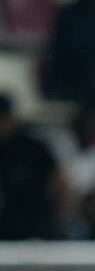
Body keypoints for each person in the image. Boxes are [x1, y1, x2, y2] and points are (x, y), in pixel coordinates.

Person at [0, 95, 67, 241]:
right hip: (7, 226)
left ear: (10, 119)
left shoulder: (33, 148)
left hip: (38, 224)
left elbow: (61, 182)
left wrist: (60, 219)